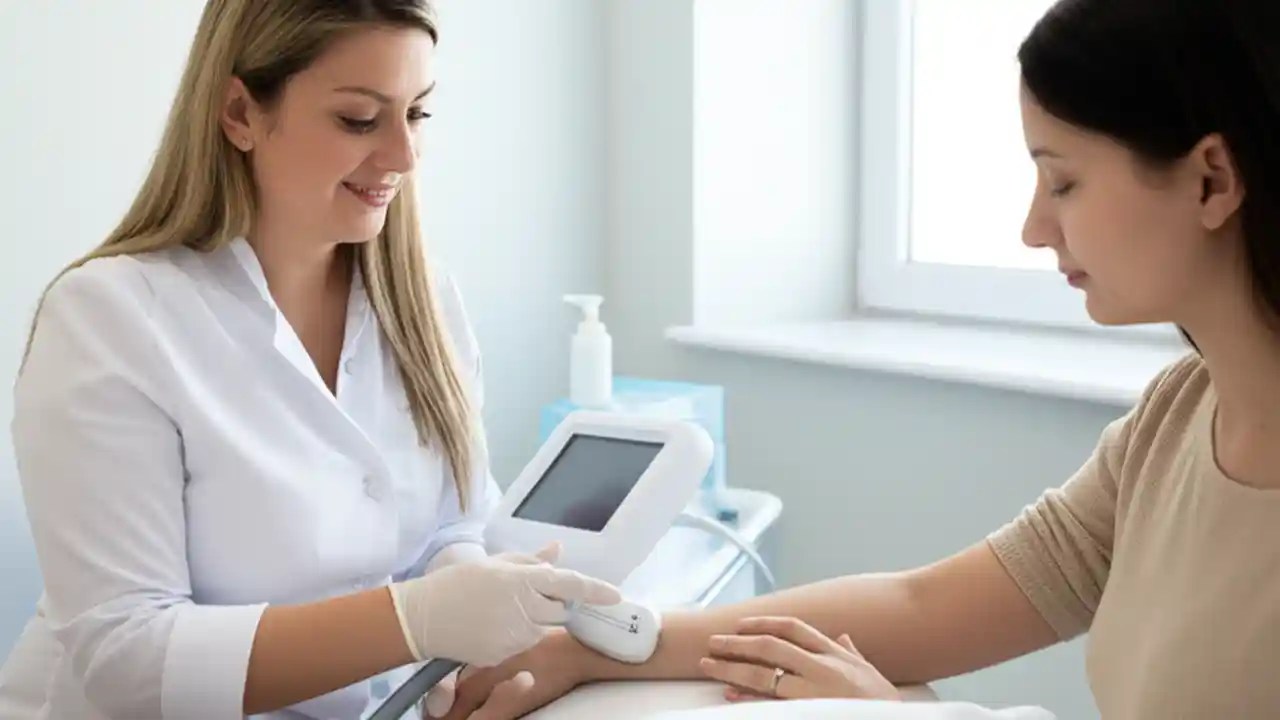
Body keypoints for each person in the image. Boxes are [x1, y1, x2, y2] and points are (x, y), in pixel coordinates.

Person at [431, 0, 1280, 718]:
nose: (1033, 227)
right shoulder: (1175, 420)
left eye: (1062, 182)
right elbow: (926, 606)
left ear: (1211, 179)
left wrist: (903, 715)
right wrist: (600, 650)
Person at [0, 1, 621, 718]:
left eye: (417, 114)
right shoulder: (110, 316)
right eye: (360, 119)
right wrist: (416, 618)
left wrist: (464, 593)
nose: (403, 156)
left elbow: (452, 524)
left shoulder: (425, 302)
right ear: (239, 113)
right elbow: (127, 660)